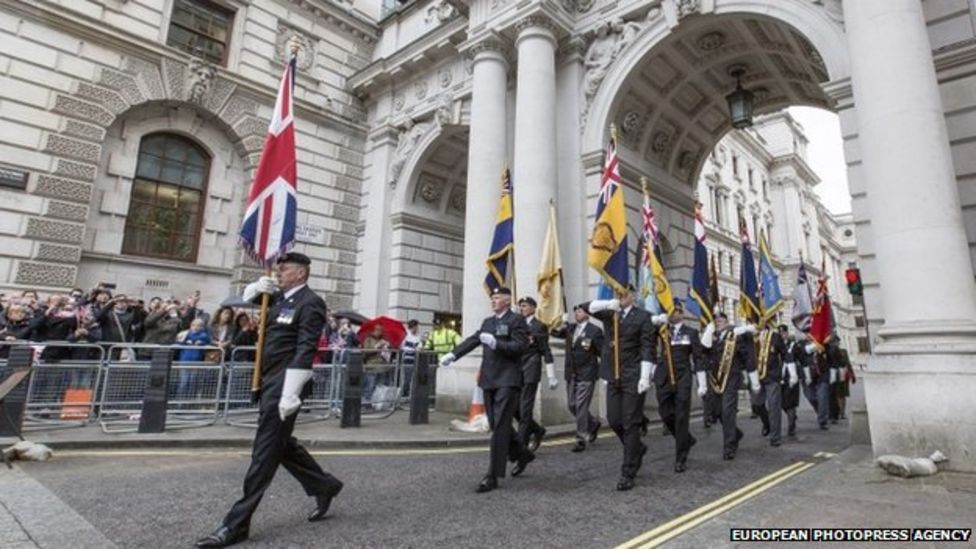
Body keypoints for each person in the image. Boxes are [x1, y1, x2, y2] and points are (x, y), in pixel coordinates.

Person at [196, 252, 343, 548]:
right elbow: (249, 306)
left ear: (301, 273)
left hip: (286, 381)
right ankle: (324, 484)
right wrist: (253, 288)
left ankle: (235, 524)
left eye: (285, 269)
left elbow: (306, 348)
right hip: (269, 378)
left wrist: (291, 390)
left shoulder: (310, 302)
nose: (279, 273)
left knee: (264, 451)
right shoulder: (279, 299)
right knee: (281, 444)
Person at [439, 287, 534, 493]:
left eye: (497, 297)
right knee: (495, 423)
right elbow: (473, 340)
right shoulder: (487, 322)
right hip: (489, 379)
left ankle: (493, 475)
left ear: (508, 301)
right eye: (492, 297)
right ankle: (522, 453)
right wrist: (453, 355)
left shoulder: (517, 320)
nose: (493, 300)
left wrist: (497, 343)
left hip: (508, 380)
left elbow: (520, 347)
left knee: (500, 427)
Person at [582, 284, 656, 491]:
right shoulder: (610, 313)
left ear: (633, 295)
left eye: (625, 293)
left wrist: (645, 376)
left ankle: (628, 471)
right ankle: (637, 449)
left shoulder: (643, 317)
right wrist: (608, 303)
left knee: (630, 422)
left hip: (633, 375)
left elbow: (647, 347)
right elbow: (585, 306)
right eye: (618, 293)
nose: (621, 296)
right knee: (614, 420)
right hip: (612, 375)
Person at [655, 299, 707, 473]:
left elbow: (698, 357)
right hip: (663, 377)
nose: (672, 314)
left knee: (681, 417)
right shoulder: (661, 330)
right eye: (670, 311)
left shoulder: (690, 332)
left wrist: (702, 381)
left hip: (682, 377)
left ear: (681, 313)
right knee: (665, 413)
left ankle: (680, 457)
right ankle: (686, 439)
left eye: (675, 310)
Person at [703, 312, 755, 460]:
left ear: (726, 322)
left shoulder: (735, 336)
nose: (718, 322)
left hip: (731, 379)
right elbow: (703, 352)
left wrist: (750, 375)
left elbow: (746, 354)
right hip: (715, 380)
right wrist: (707, 331)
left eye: (721, 320)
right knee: (717, 412)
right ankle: (736, 433)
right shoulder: (711, 338)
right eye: (716, 320)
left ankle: (729, 446)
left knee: (727, 411)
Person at [552, 304, 603, 452]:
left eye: (580, 311)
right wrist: (560, 323)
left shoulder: (595, 331)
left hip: (587, 373)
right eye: (575, 312)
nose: (577, 314)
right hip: (572, 373)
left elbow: (603, 352)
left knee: (581, 406)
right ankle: (592, 423)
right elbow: (555, 333)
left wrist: (604, 372)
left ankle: (581, 438)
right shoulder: (571, 328)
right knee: (572, 405)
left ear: (587, 314)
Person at [516, 296, 557, 452]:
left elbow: (545, 350)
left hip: (531, 370)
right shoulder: (516, 324)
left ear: (533, 308)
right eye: (520, 307)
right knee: (515, 409)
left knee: (525, 409)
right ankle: (537, 430)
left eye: (525, 306)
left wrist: (551, 375)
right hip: (516, 371)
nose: (522, 309)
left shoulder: (539, 326)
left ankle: (522, 446)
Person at [747, 320, 788, 447]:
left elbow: (785, 354)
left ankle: (775, 437)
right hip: (755, 377)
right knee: (757, 404)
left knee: (774, 406)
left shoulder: (775, 336)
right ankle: (767, 423)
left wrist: (788, 371)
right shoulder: (749, 337)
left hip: (772, 377)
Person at [778, 325, 801, 438]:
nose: (782, 335)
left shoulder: (793, 345)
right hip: (779, 378)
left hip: (791, 377)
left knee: (790, 403)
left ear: (787, 333)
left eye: (783, 333)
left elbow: (799, 358)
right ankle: (792, 417)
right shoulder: (776, 346)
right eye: (780, 333)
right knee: (782, 403)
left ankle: (791, 427)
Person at [400, 319, 421, 397]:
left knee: (413, 378)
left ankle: (410, 394)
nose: (417, 329)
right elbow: (402, 346)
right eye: (416, 327)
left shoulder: (417, 336)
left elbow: (419, 345)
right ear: (413, 327)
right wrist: (412, 349)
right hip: (407, 359)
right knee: (407, 378)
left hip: (415, 359)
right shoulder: (405, 335)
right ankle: (404, 394)